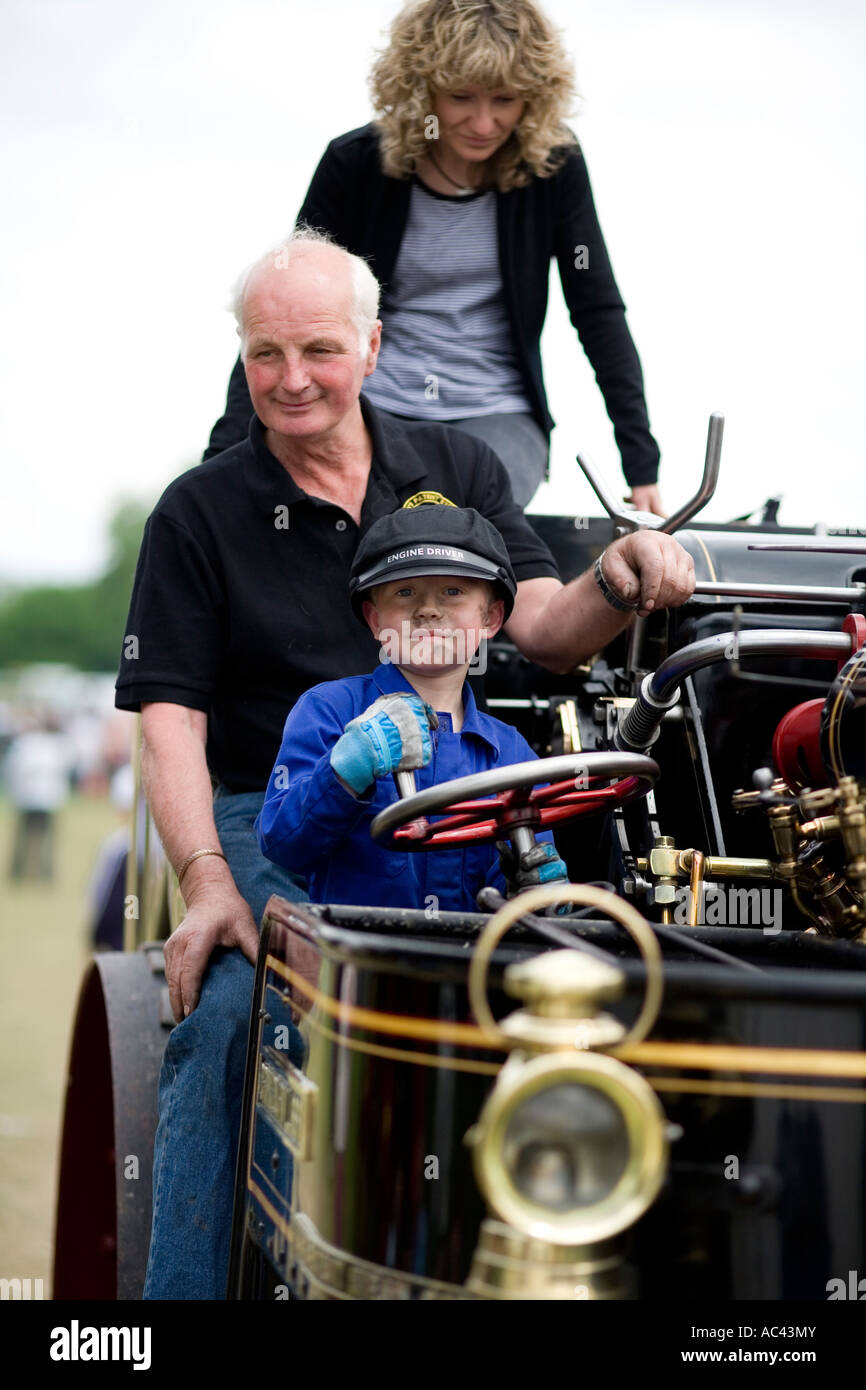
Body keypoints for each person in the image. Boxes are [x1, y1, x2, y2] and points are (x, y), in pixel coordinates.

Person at [116, 230, 693, 1298]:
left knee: (587, 972)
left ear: (374, 345)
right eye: (264, 355)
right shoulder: (197, 510)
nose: (291, 380)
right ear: (240, 359)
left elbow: (547, 629)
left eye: (318, 351)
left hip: (462, 804)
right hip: (274, 809)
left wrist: (616, 575)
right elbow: (170, 715)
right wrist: (205, 882)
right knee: (230, 1013)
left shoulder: (458, 466)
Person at [205, 0, 665, 514]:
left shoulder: (553, 169)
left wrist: (640, 464)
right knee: (359, 518)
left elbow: (598, 310)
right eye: (462, 97)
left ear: (534, 100)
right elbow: (287, 312)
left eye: (505, 100)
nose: (484, 122)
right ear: (422, 89)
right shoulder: (356, 165)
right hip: (372, 404)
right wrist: (223, 459)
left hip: (497, 413)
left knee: (449, 520)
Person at [257, 505, 568, 908]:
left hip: (468, 966)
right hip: (353, 962)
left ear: (491, 617)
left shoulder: (512, 754)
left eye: (452, 592)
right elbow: (283, 846)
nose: (427, 610)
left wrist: (533, 897)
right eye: (405, 592)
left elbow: (527, 875)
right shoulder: (328, 711)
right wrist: (345, 771)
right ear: (374, 619)